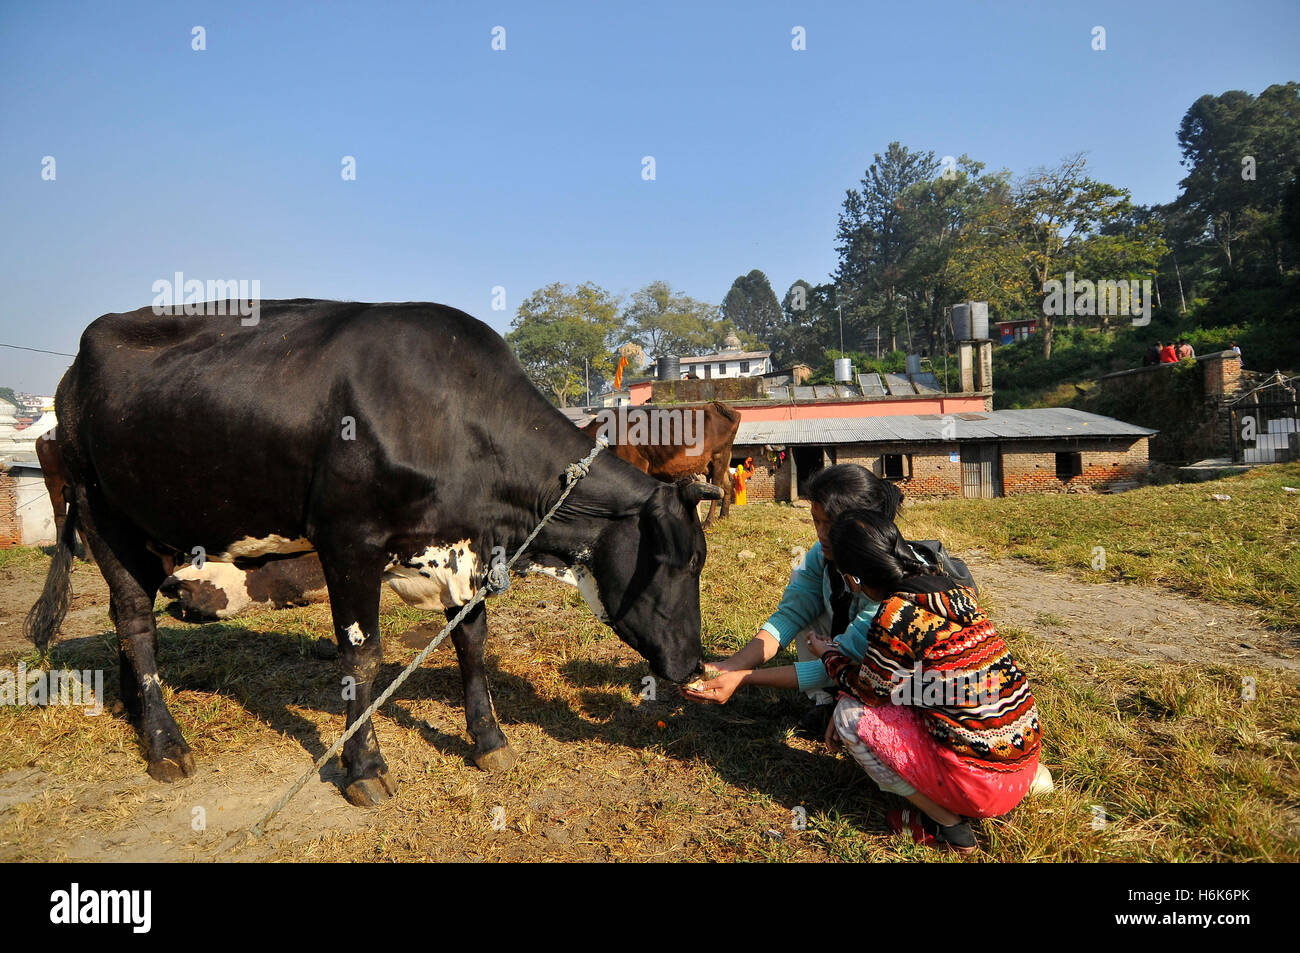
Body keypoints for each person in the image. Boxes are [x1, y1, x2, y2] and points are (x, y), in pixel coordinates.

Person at [806, 509, 1043, 853]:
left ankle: (948, 826)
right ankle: (986, 793)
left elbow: (867, 692)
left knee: (848, 715)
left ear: (853, 579)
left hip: (980, 788)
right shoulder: (955, 591)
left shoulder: (894, 616)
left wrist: (827, 655)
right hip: (1022, 766)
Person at [682, 464, 974, 740]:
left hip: (897, 676)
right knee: (807, 613)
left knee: (858, 715)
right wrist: (731, 666)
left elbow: (838, 662)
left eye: (830, 525)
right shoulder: (821, 556)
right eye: (816, 521)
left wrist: (745, 678)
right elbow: (792, 613)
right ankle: (826, 701)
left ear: (860, 524)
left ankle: (856, 702)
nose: (821, 534)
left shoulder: (887, 584)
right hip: (851, 656)